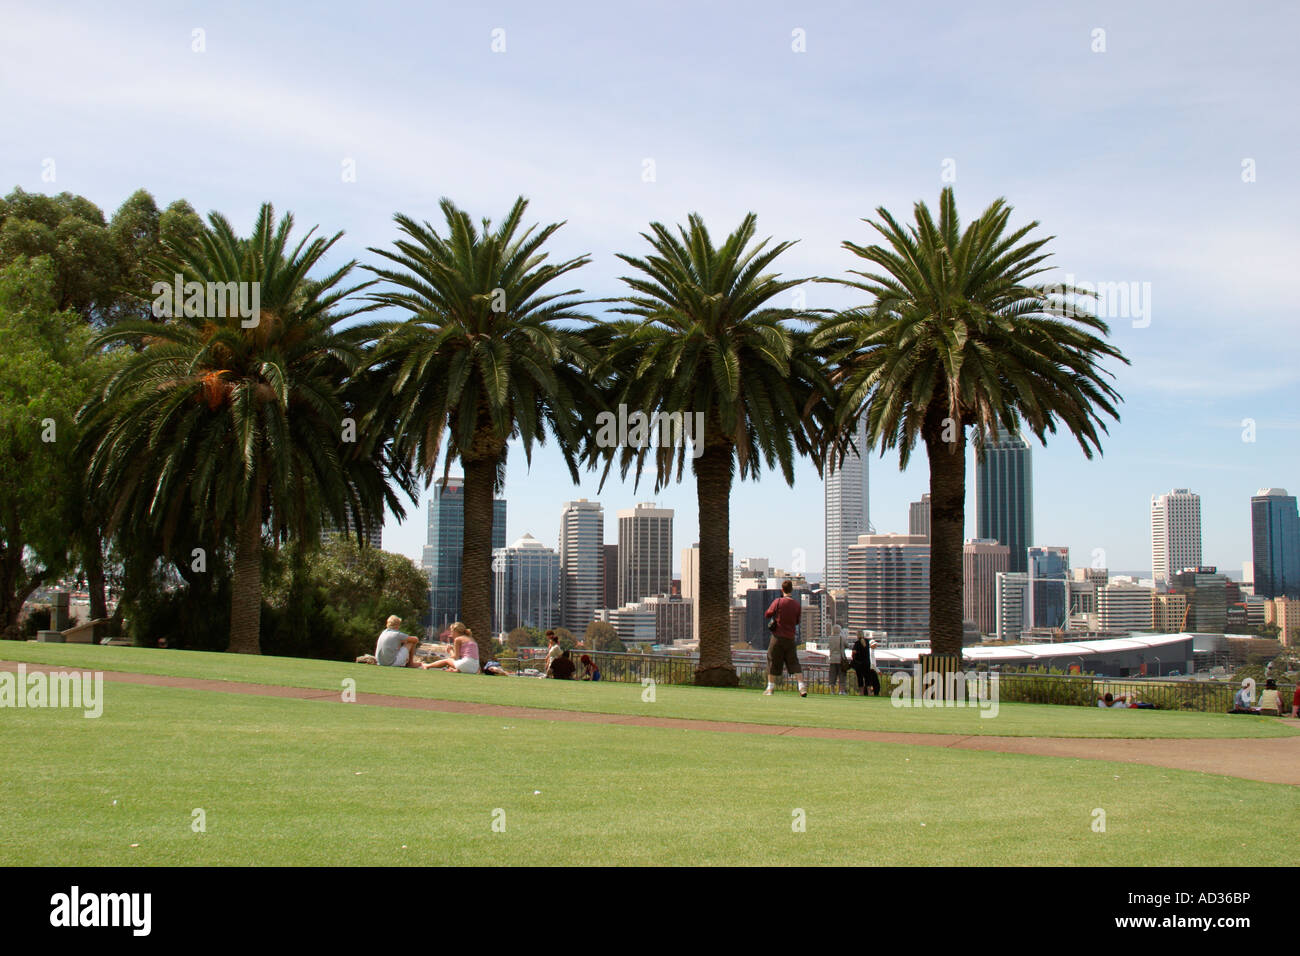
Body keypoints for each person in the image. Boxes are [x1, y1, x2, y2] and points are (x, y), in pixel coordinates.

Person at [763, 579, 806, 697]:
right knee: (794, 662)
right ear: (791, 590)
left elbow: (767, 614)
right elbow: (797, 621)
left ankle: (770, 688)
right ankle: (801, 687)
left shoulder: (778, 602)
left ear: (782, 590)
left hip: (777, 636)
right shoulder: (797, 605)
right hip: (790, 638)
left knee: (771, 659)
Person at [826, 626, 849, 695]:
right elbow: (847, 645)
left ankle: (832, 691)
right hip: (840, 659)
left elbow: (829, 647)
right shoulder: (842, 638)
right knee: (842, 675)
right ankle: (841, 691)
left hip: (832, 659)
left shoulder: (830, 638)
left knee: (832, 675)